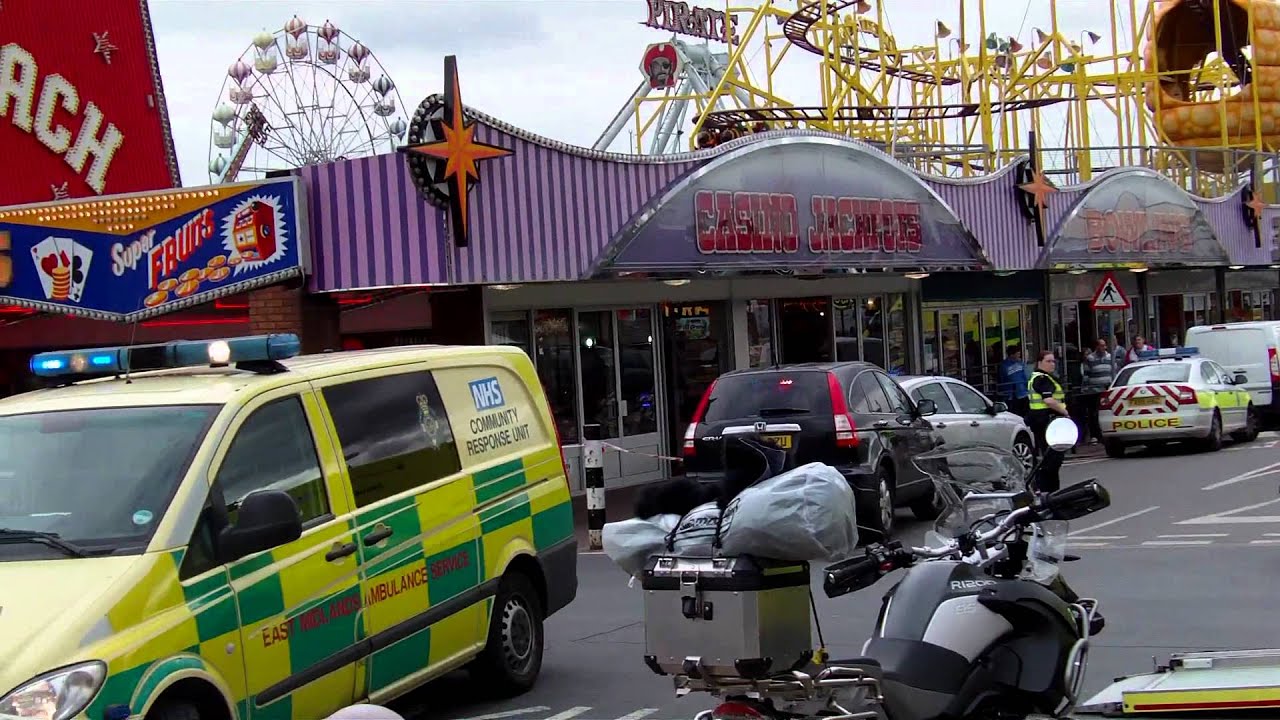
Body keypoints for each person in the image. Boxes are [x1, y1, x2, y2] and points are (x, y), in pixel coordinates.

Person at [1027, 349, 1070, 493]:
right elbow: (1049, 400)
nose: (1052, 364)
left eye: (1053, 361)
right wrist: (1065, 412)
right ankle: (1045, 488)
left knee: (1050, 456)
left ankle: (1045, 488)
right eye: (1048, 361)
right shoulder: (1043, 379)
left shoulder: (1037, 377)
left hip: (1041, 420)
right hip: (1048, 421)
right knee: (1053, 457)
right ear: (1040, 362)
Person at [1080, 338, 1115, 444]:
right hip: (1094, 390)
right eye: (1101, 345)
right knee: (1094, 414)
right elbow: (1086, 375)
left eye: (1104, 345)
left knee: (1106, 412)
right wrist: (1085, 389)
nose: (1104, 348)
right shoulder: (1090, 359)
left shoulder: (1110, 357)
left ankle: (1105, 434)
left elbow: (1114, 372)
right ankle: (1095, 435)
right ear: (1096, 347)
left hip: (1107, 390)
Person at [997, 344, 1030, 416]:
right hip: (1011, 394)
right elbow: (1003, 378)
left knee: (1024, 412)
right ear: (1012, 354)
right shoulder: (1004, 365)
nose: (1019, 355)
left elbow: (1025, 376)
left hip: (1023, 392)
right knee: (1015, 413)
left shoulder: (1021, 363)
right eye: (1017, 353)